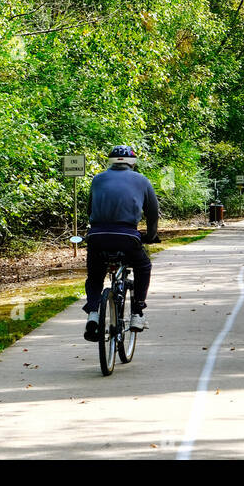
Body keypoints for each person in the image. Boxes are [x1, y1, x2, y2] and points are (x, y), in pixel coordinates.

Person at [83, 145, 158, 341]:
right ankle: (137, 313)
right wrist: (150, 235)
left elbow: (89, 209)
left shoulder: (98, 179)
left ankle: (92, 312)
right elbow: (152, 213)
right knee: (143, 266)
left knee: (95, 274)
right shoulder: (142, 180)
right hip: (127, 237)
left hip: (97, 236)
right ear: (132, 162)